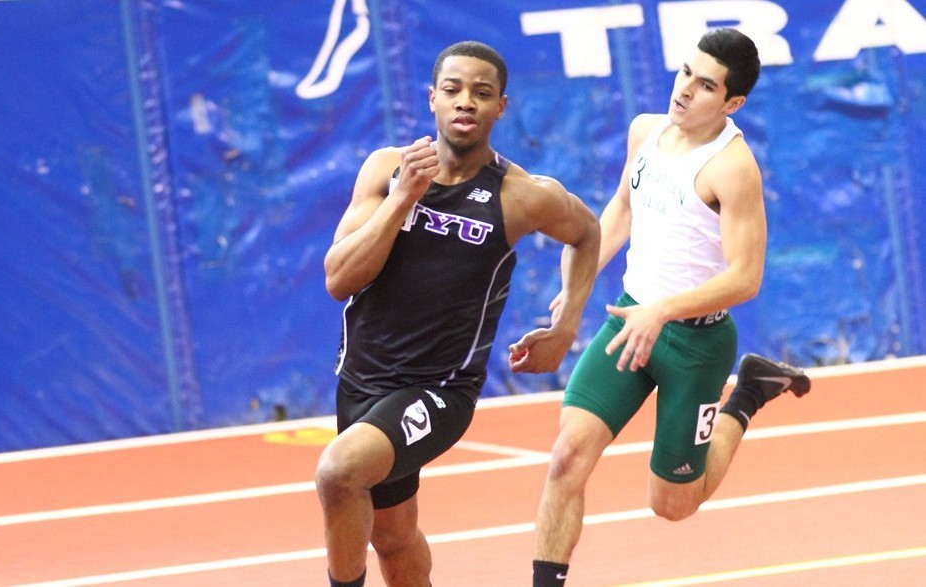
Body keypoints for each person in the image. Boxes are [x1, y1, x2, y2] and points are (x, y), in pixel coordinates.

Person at [531, 28, 811, 586]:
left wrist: (662, 311)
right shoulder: (646, 130)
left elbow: (746, 278)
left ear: (732, 103)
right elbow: (621, 209)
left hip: (695, 344)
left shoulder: (732, 169)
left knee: (673, 505)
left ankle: (748, 394)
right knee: (567, 457)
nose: (684, 89)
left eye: (705, 85)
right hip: (629, 319)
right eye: (685, 72)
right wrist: (578, 286)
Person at [316, 40, 601, 587]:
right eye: (453, 89)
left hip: (438, 390)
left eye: (482, 93)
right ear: (433, 99)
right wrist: (402, 200)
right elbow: (339, 279)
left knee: (338, 471)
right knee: (393, 538)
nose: (466, 101)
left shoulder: (520, 196)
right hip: (359, 382)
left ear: (501, 107)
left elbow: (587, 232)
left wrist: (566, 325)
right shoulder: (387, 170)